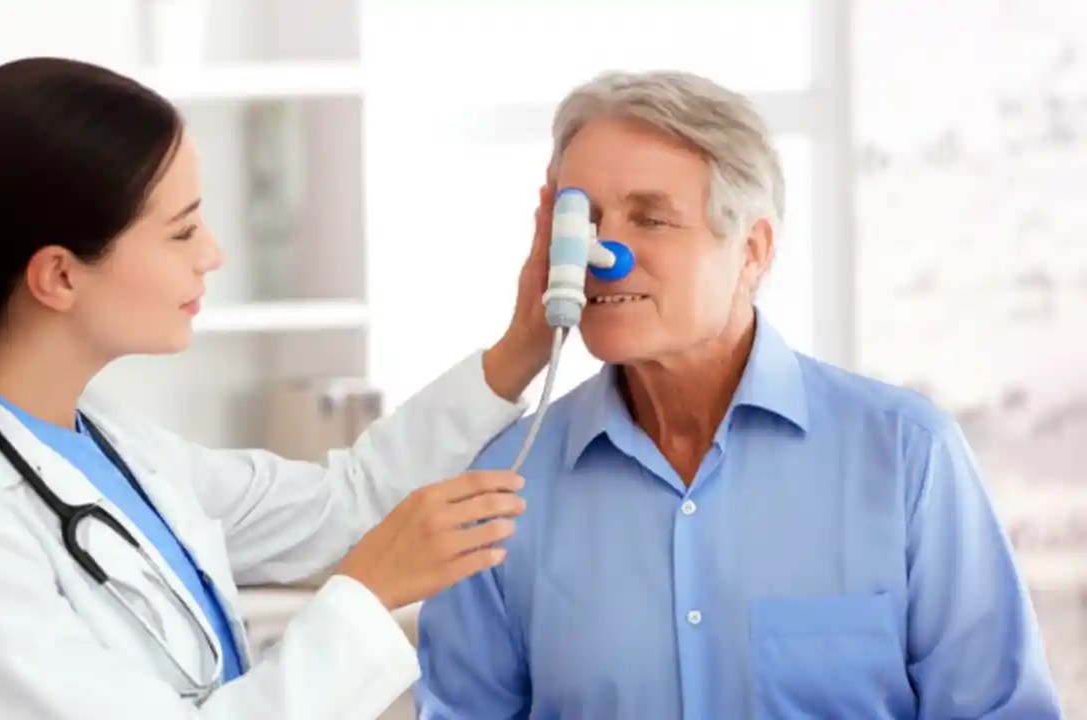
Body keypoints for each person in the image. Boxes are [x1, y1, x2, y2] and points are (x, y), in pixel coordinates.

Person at [0, 57, 553, 719]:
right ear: (59, 275)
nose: (214, 255)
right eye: (181, 232)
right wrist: (362, 597)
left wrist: (521, 347)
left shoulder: (104, 443)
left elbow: (343, 502)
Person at [415, 70, 1063, 718]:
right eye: (583, 219)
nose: (602, 253)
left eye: (650, 218)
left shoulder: (906, 457)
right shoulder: (502, 486)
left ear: (751, 250)